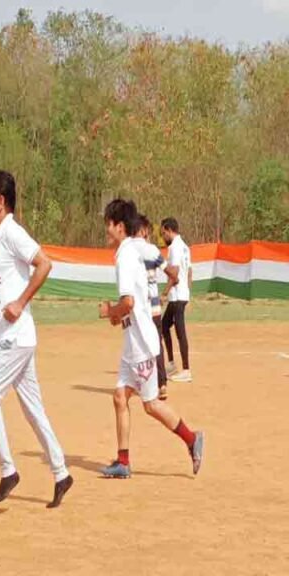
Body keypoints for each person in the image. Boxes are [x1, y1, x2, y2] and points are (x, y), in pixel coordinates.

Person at [0, 170, 73, 509]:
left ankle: (8, 470)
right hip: (11, 336)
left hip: (16, 338)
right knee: (33, 410)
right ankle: (61, 473)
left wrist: (21, 302)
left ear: (0, 202)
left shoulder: (13, 233)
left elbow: (44, 264)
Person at [98, 199, 204, 480]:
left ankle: (192, 439)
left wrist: (110, 312)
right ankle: (123, 462)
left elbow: (128, 302)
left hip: (141, 343)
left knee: (151, 404)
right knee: (120, 397)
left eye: (108, 225)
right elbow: (167, 271)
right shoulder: (139, 248)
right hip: (135, 339)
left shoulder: (124, 255)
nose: (106, 231)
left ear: (119, 227)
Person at [134, 215, 179, 401]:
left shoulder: (127, 251)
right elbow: (173, 274)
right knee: (156, 345)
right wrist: (164, 291)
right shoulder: (152, 250)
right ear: (144, 231)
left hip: (137, 310)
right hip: (153, 308)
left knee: (137, 345)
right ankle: (161, 385)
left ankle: (141, 383)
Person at [161, 217, 192, 383]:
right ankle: (172, 364)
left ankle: (186, 370)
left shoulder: (174, 247)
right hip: (182, 295)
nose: (163, 236)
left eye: (163, 233)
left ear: (168, 230)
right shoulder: (185, 247)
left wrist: (164, 293)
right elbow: (190, 272)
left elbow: (174, 274)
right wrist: (189, 292)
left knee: (180, 332)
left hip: (177, 296)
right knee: (164, 326)